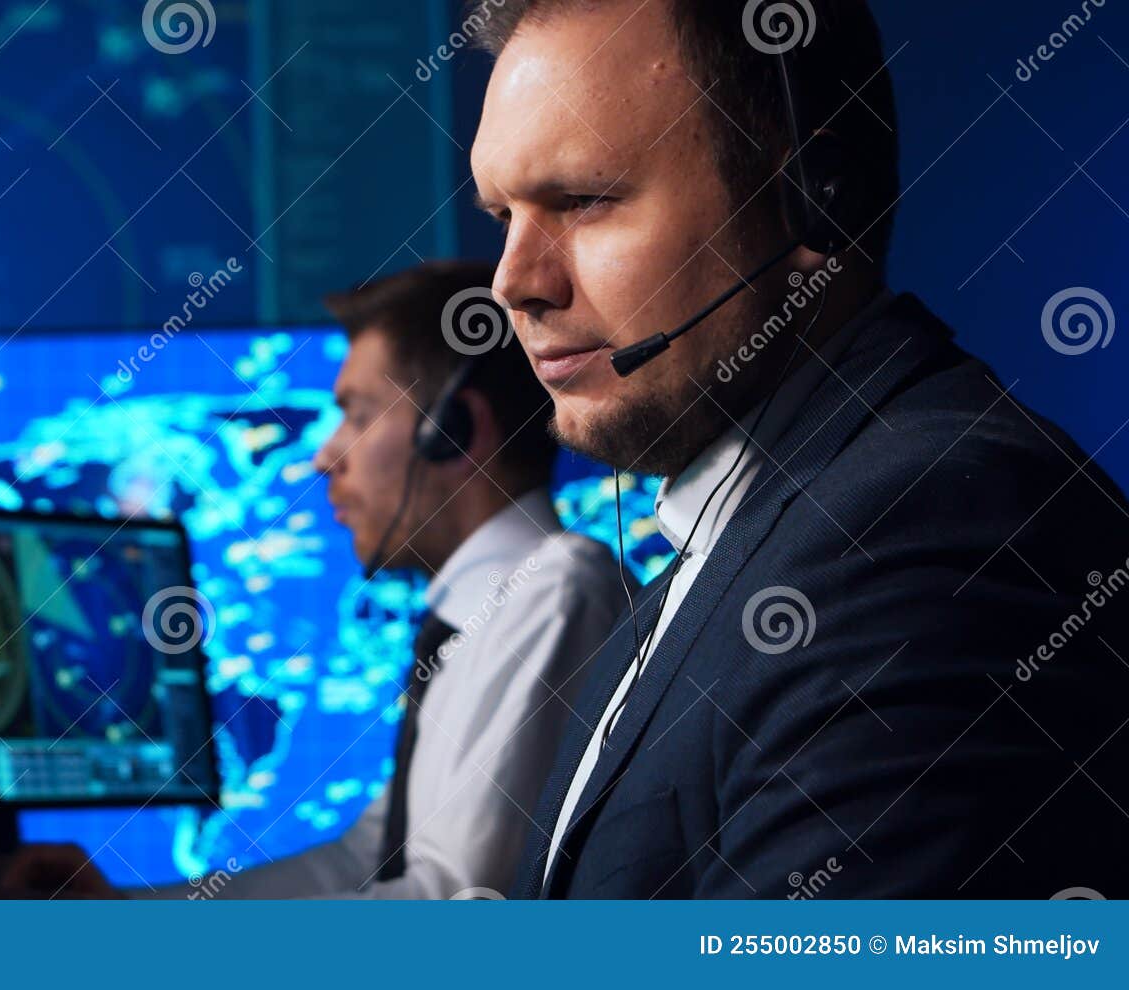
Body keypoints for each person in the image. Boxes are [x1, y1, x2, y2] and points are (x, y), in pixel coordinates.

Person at [469, 0, 1129, 898]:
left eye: (583, 200)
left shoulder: (925, 536)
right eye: (502, 214)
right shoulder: (736, 539)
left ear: (815, 199)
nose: (515, 282)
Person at [0, 260, 631, 899]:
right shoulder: (479, 610)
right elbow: (363, 862)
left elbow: (451, 902)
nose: (326, 457)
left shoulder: (553, 593)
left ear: (452, 429)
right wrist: (118, 917)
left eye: (355, 415)